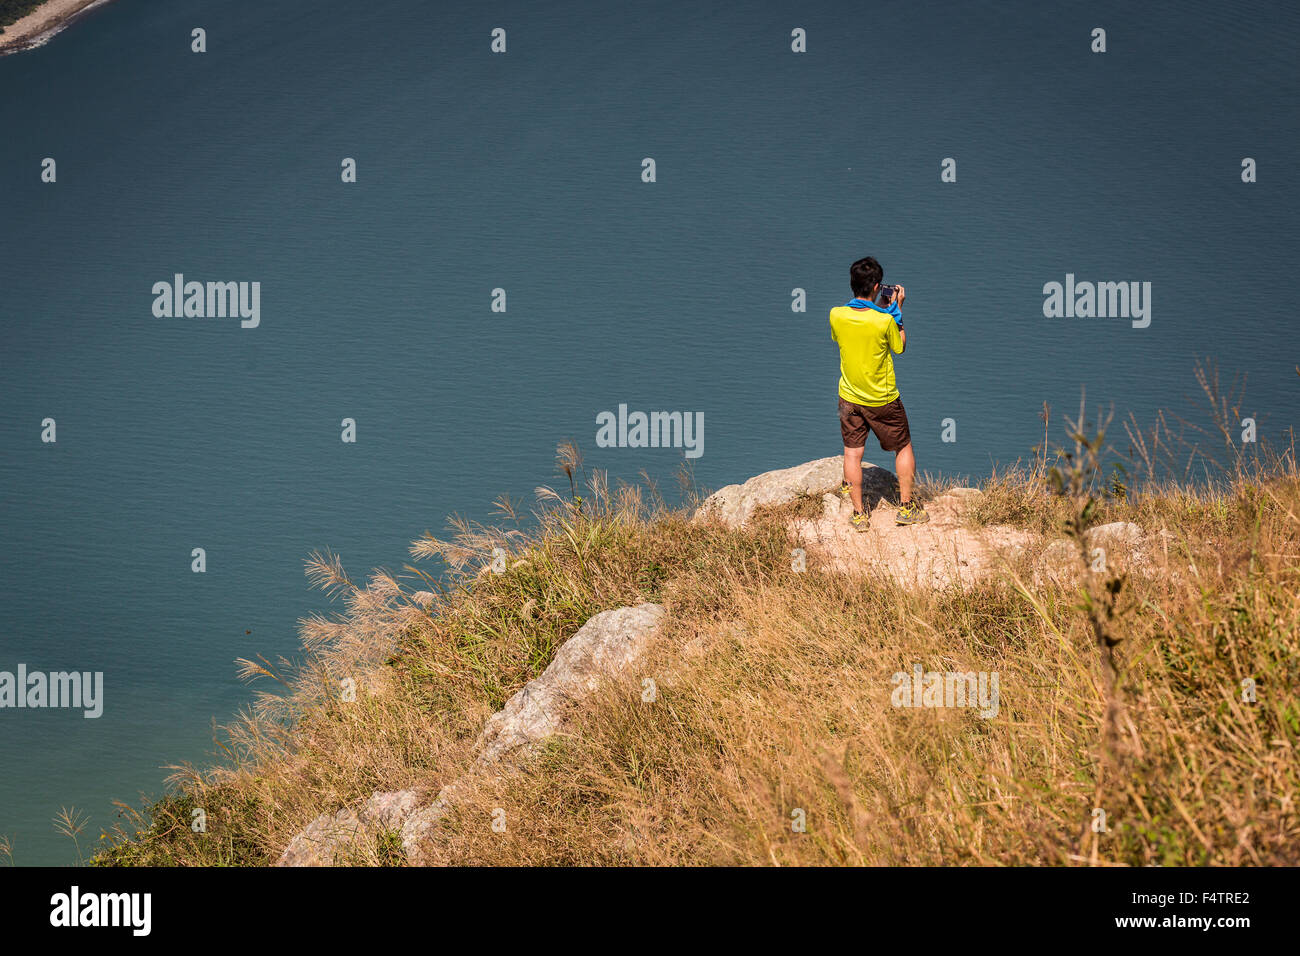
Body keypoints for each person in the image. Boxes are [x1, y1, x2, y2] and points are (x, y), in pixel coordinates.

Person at [828, 256, 929, 531]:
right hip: (882, 399)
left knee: (852, 454)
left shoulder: (836, 314)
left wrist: (879, 309)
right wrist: (896, 311)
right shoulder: (884, 321)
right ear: (876, 287)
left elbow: (844, 334)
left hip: (848, 398)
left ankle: (859, 515)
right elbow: (900, 347)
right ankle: (906, 508)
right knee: (903, 446)